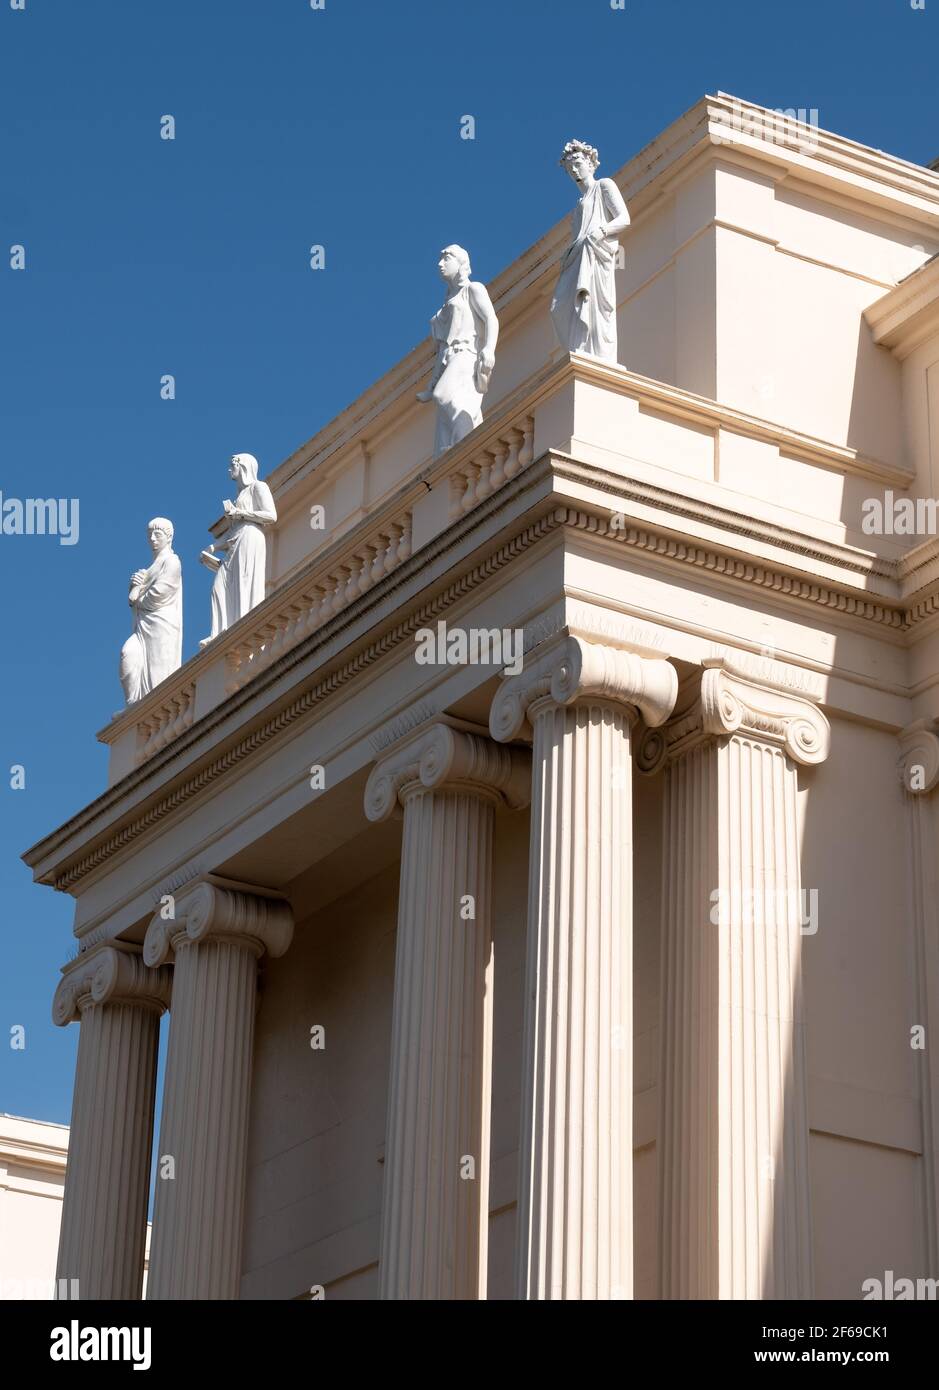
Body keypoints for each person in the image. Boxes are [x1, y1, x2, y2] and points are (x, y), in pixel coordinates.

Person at [550, 140, 630, 363]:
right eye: (569, 167)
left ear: (590, 163)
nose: (574, 170)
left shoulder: (604, 185)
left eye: (577, 163)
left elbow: (624, 218)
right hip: (578, 256)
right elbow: (578, 234)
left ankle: (597, 355)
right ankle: (579, 347)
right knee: (559, 307)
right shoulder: (578, 206)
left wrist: (602, 231)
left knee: (594, 304)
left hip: (597, 253)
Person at [417, 245, 499, 457]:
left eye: (446, 258)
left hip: (467, 355)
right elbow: (443, 348)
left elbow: (491, 319)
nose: (440, 264)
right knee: (449, 406)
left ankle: (464, 451)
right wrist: (432, 381)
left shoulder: (473, 289)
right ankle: (459, 454)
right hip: (450, 358)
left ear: (460, 262)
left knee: (444, 395)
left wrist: (489, 349)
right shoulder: (446, 304)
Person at [200, 453, 277, 645]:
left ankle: (243, 626)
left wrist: (240, 512)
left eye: (232, 465)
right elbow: (233, 530)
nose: (229, 469)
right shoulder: (240, 495)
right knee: (219, 585)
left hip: (250, 537)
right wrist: (214, 546)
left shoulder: (258, 487)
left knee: (244, 579)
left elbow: (271, 515)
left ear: (242, 466)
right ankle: (219, 632)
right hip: (236, 540)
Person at [119, 517, 183, 705]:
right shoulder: (147, 570)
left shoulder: (172, 562)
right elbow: (135, 597)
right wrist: (135, 586)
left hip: (161, 624)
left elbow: (160, 593)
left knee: (158, 668)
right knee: (128, 654)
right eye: (150, 535)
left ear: (169, 536)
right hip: (142, 626)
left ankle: (156, 706)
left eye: (158, 534)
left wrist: (138, 597)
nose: (153, 539)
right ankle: (133, 704)